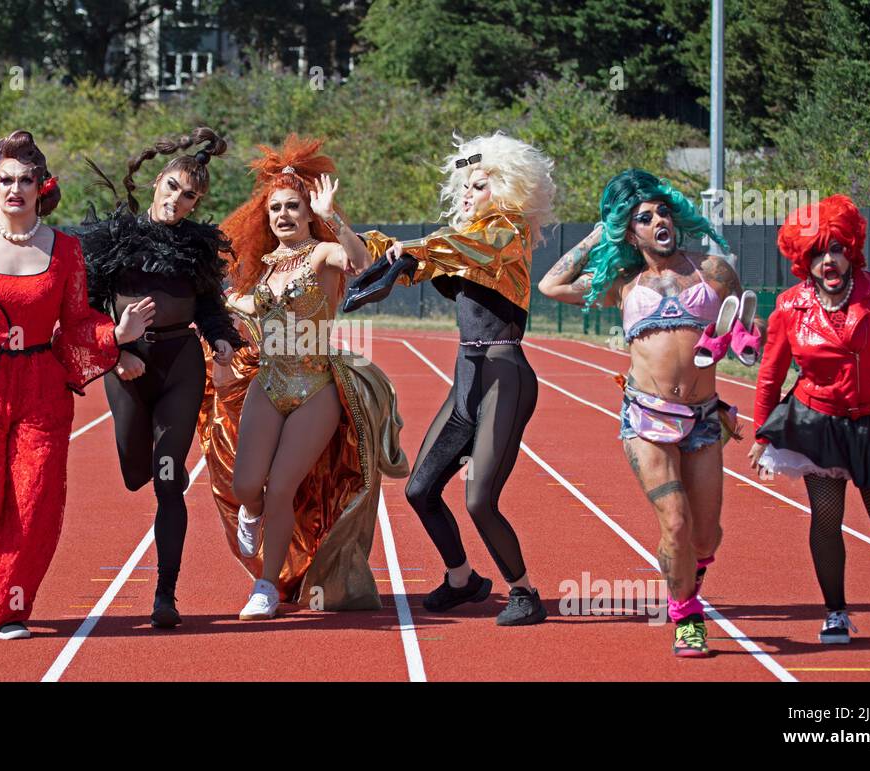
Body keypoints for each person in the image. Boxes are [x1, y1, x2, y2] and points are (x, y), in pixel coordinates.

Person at [0, 130, 153, 639]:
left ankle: (7, 609)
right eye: (6, 179)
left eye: (25, 179)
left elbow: (79, 322)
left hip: (42, 390)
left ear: (42, 186)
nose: (14, 188)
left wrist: (118, 334)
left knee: (35, 502)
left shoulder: (65, 251)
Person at [346, 132, 556, 626]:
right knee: (420, 490)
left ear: (505, 191)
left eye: (479, 185)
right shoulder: (457, 245)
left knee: (480, 498)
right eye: (464, 184)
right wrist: (334, 221)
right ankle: (463, 579)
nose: (466, 192)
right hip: (467, 375)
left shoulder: (507, 234)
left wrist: (416, 246)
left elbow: (458, 245)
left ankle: (525, 592)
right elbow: (388, 257)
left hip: (505, 375)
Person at [538, 169, 751, 655]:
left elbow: (743, 323)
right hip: (647, 418)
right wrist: (599, 231)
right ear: (629, 231)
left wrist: (740, 339)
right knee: (673, 523)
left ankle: (687, 578)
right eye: (643, 216)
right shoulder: (621, 284)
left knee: (705, 537)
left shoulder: (713, 271)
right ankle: (686, 616)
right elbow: (551, 285)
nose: (658, 220)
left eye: (662, 211)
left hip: (703, 418)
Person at [196, 135, 408, 619]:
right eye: (275, 209)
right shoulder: (264, 268)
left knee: (282, 485)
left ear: (308, 211)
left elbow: (360, 262)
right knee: (247, 485)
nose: (284, 216)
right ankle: (252, 511)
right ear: (264, 217)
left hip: (316, 387)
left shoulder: (322, 255)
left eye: (293, 207)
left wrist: (334, 217)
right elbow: (237, 307)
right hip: (268, 384)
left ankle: (267, 587)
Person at [750, 194, 870, 644]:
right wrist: (763, 434)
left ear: (851, 248)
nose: (828, 260)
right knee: (824, 515)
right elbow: (770, 375)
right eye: (817, 252)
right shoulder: (788, 307)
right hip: (816, 420)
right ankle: (836, 611)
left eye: (836, 248)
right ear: (805, 260)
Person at [76, 128, 243, 629]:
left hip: (179, 366)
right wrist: (117, 350)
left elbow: (211, 306)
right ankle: (154, 460)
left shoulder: (198, 247)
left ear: (198, 202)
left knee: (168, 482)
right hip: (127, 366)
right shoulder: (113, 238)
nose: (178, 199)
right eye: (172, 187)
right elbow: (81, 310)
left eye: (190, 195)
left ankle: (165, 596)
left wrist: (222, 340)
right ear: (156, 182)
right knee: (135, 475)